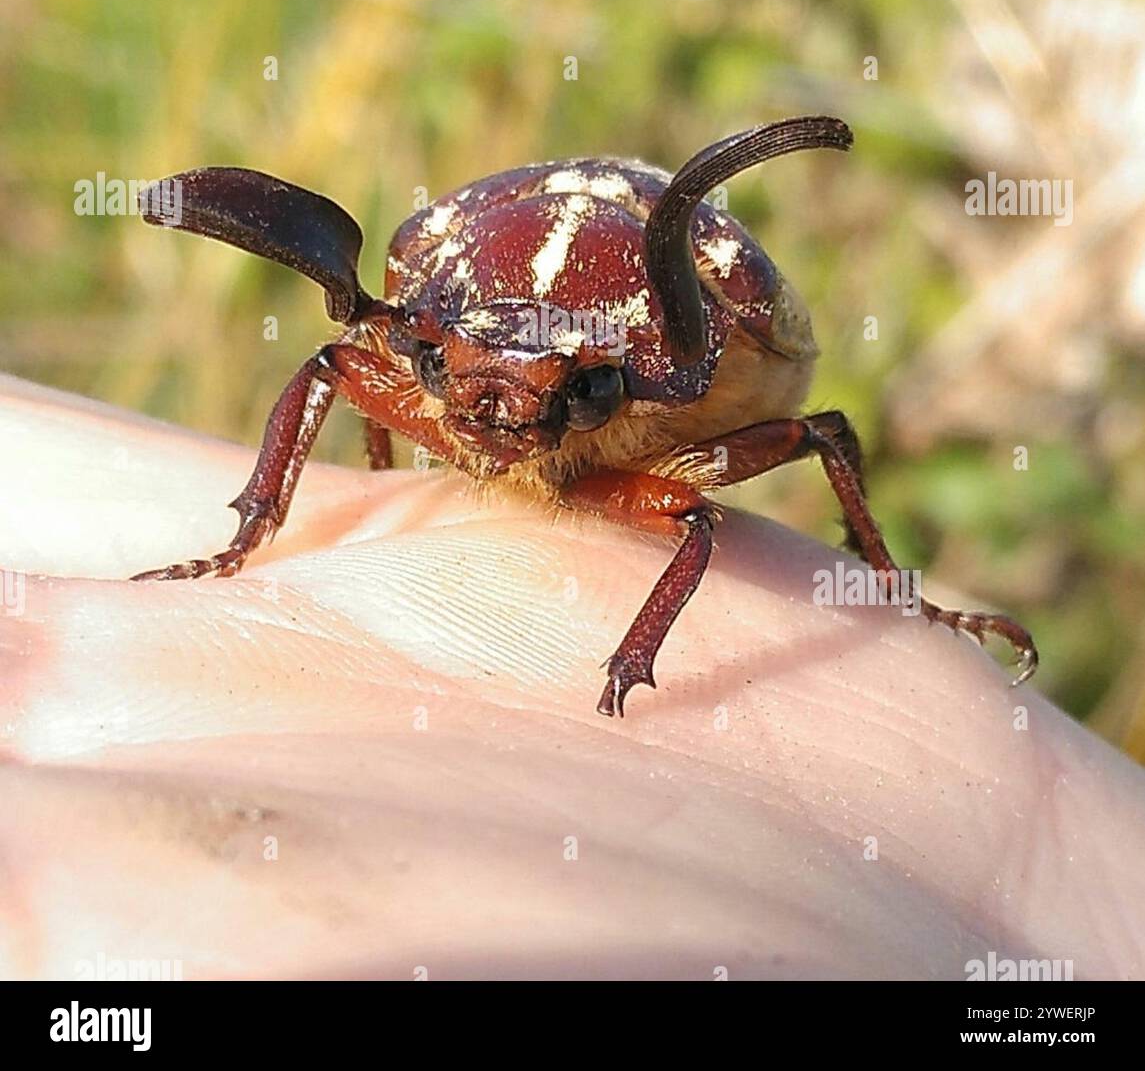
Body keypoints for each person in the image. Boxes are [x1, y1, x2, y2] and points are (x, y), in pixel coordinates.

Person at [2, 373, 1143, 980]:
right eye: (455, 379)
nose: (494, 422)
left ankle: (844, 595)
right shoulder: (412, 357)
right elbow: (343, 367)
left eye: (542, 397)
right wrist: (258, 543)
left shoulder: (663, 420)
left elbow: (780, 458)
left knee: (756, 472)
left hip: (655, 369)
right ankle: (251, 533)